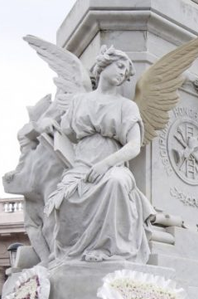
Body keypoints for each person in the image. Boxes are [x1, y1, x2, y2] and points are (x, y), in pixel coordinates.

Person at [46, 46, 155, 266]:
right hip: (80, 166)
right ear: (104, 64)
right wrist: (48, 124)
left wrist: (104, 165)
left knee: (115, 183)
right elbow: (64, 131)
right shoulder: (79, 101)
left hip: (113, 166)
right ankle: (73, 251)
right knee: (64, 198)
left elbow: (134, 146)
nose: (122, 73)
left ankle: (107, 247)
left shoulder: (127, 106)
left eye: (126, 72)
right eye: (120, 66)